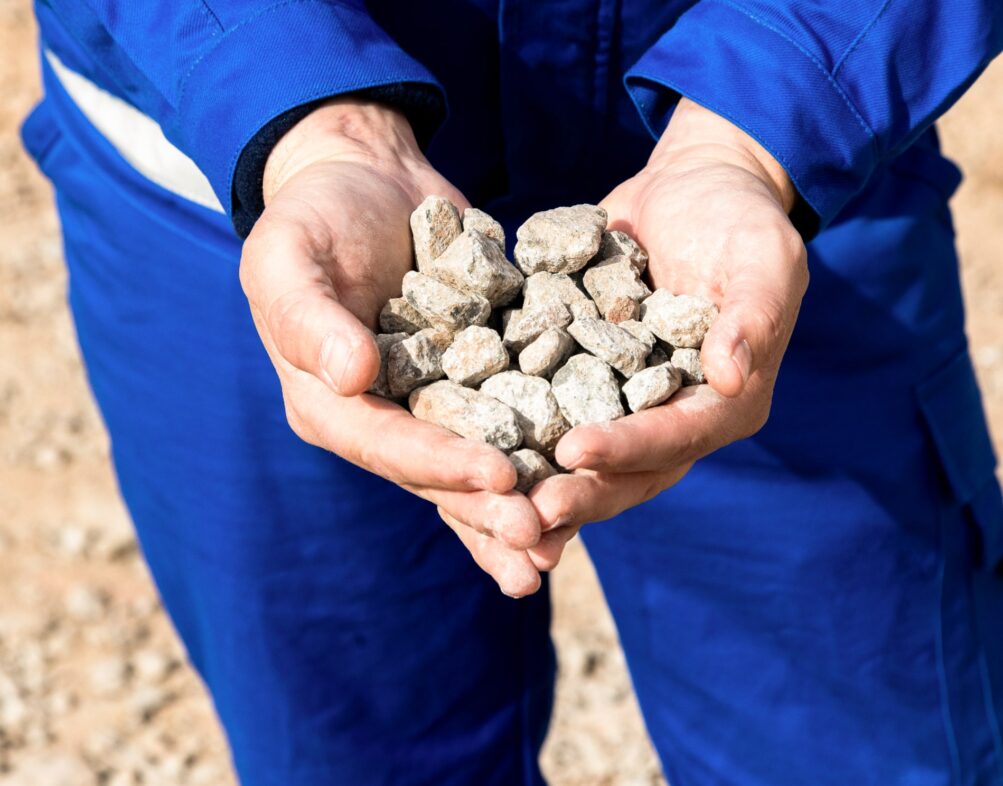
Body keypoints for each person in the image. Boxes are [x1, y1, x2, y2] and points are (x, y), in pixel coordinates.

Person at [20, 1, 1003, 783]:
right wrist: (301, 113)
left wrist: (772, 104)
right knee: (352, 747)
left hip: (784, 169)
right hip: (233, 140)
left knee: (865, 737)